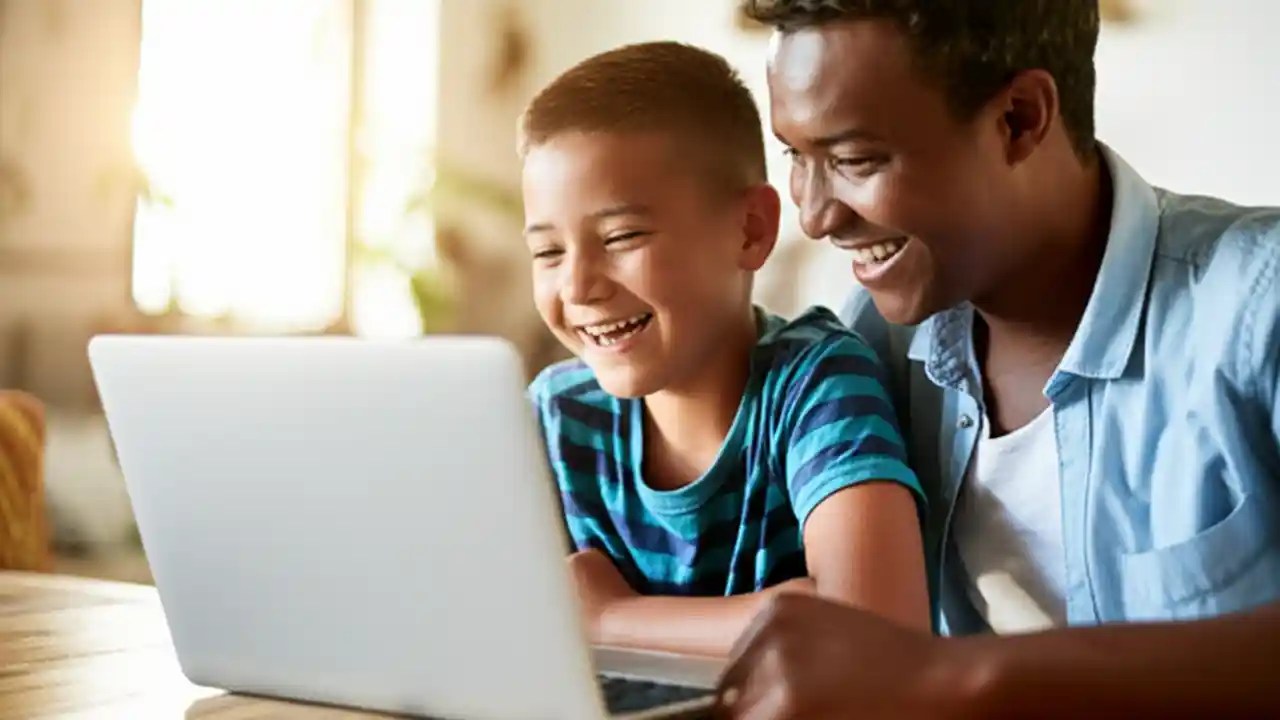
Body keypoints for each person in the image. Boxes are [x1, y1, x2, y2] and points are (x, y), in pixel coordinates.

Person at [714, 0, 1280, 716]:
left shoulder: (1258, 303)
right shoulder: (874, 344)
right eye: (798, 157)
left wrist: (964, 676)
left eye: (855, 161)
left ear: (1019, 119)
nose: (816, 214)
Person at [519, 41, 930, 658]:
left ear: (750, 230)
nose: (577, 286)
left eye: (622, 236)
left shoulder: (815, 383)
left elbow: (877, 622)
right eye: (548, 252)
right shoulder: (556, 416)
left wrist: (611, 617)